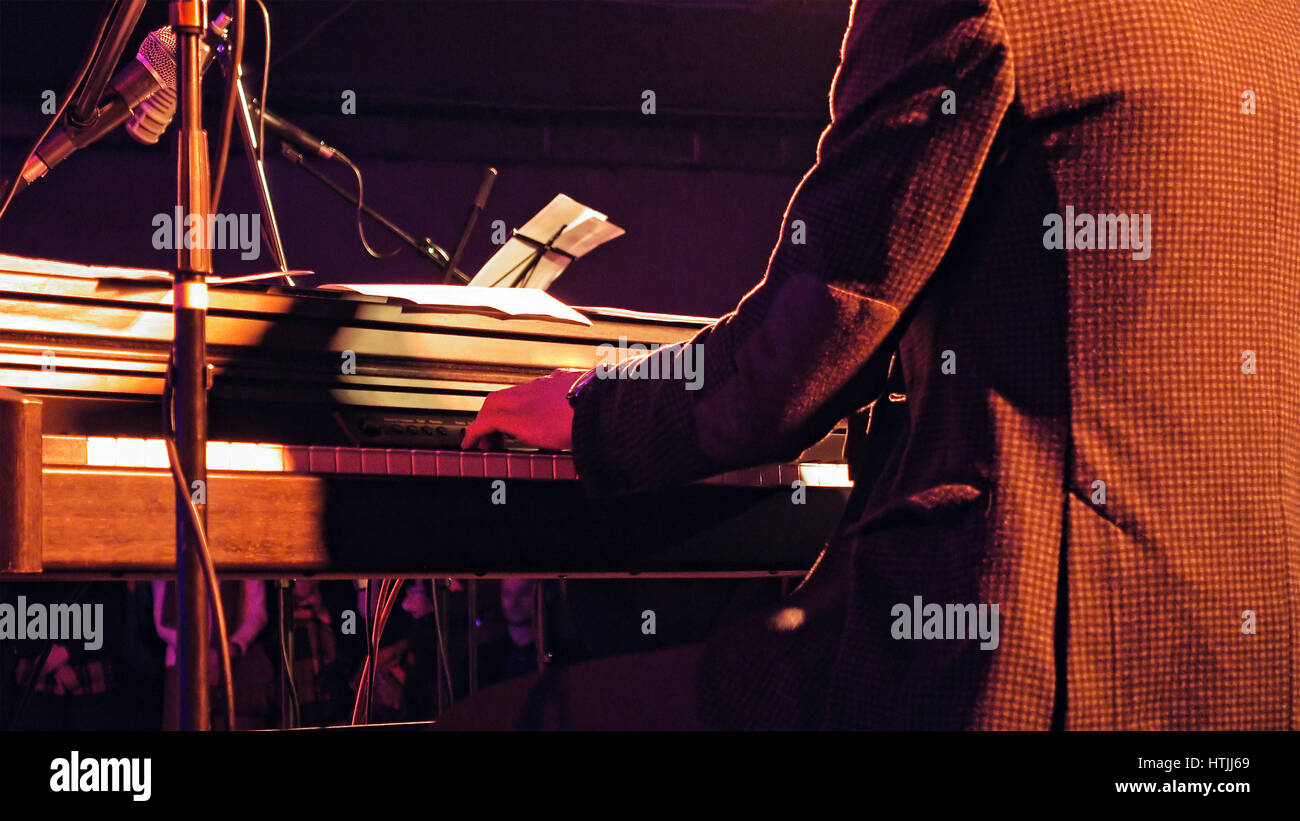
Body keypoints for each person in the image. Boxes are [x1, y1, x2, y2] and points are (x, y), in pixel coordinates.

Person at [449, 0, 1300, 729]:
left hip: (1023, 657)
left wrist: (595, 404)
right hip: (1255, 670)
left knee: (487, 722)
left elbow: (796, 356)